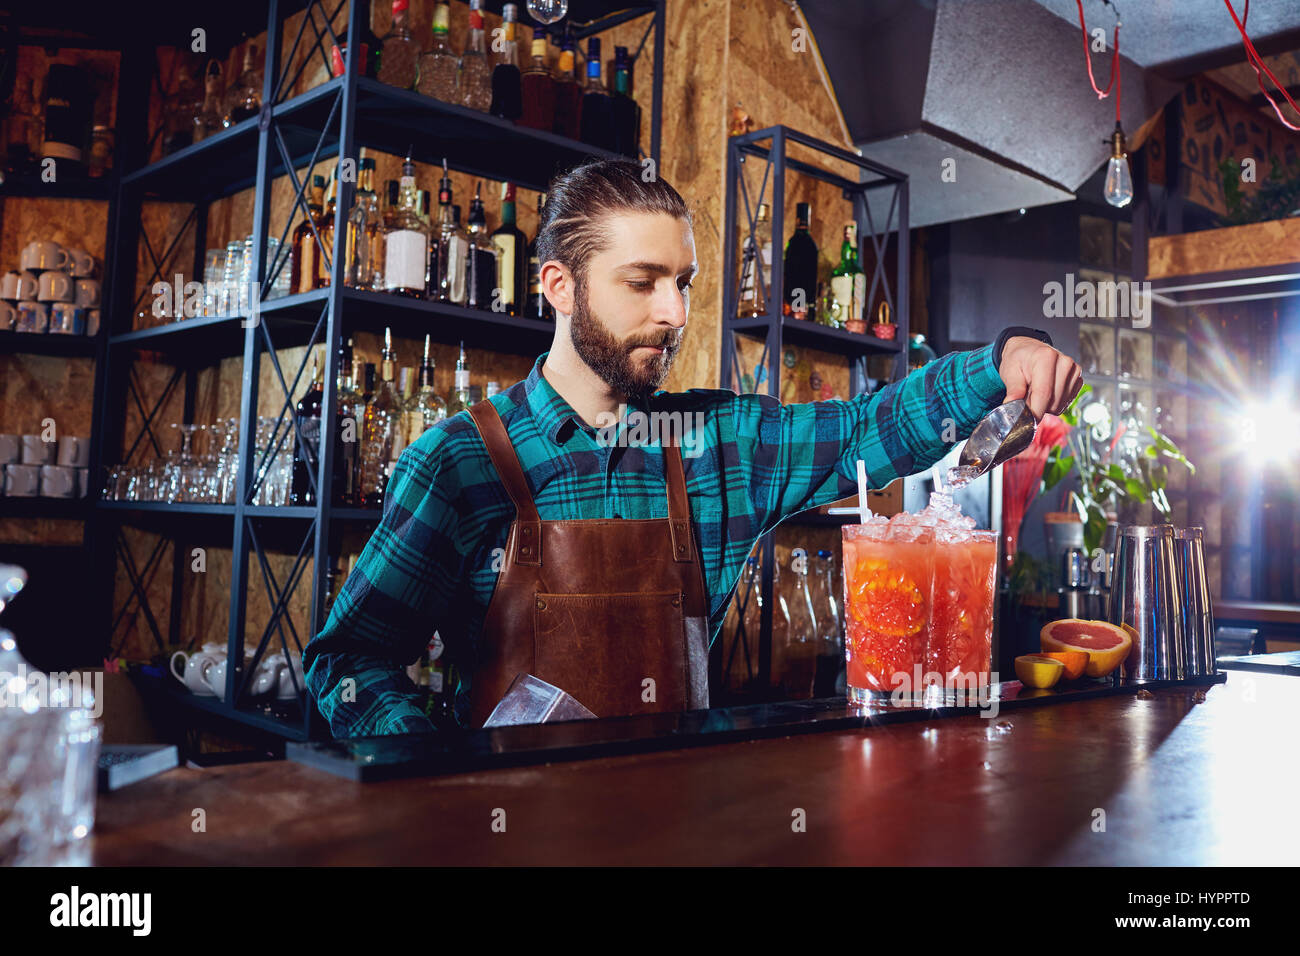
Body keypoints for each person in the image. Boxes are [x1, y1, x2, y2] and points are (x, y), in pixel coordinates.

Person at [303, 159, 1082, 736]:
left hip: (680, 825)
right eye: (643, 282)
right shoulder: (458, 464)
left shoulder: (718, 445)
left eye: (685, 282)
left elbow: (868, 427)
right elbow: (347, 663)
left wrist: (1000, 359)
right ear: (559, 287)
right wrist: (432, 762)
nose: (675, 312)